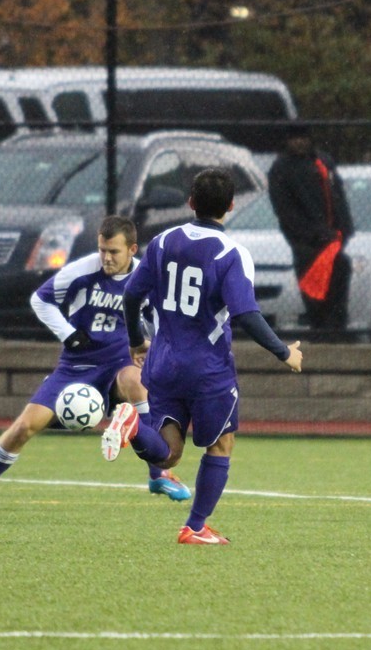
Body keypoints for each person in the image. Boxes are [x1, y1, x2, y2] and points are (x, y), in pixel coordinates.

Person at [103, 168, 304, 544]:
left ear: (190, 203)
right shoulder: (232, 253)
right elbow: (245, 313)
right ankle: (194, 527)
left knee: (168, 454)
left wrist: (136, 341)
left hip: (164, 362)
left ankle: (131, 426)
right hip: (207, 368)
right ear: (230, 206)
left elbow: (131, 295)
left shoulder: (162, 242)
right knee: (221, 444)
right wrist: (283, 352)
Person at [0, 215, 192, 511]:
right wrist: (69, 334)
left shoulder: (145, 281)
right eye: (102, 250)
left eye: (114, 252)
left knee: (136, 382)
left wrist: (153, 349)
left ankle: (159, 474)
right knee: (25, 426)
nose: (106, 258)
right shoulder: (83, 271)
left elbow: (161, 325)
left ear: (132, 249)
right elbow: (40, 299)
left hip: (119, 364)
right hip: (76, 367)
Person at [268, 123, 354, 338]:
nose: (299, 142)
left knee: (340, 273)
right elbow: (286, 212)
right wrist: (314, 234)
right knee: (315, 291)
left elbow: (338, 197)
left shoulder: (322, 161)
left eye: (302, 137)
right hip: (307, 242)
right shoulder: (282, 169)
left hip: (333, 240)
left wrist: (343, 228)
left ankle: (336, 330)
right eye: (294, 138)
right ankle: (322, 331)